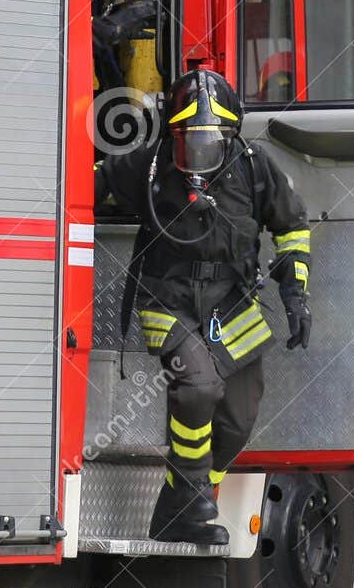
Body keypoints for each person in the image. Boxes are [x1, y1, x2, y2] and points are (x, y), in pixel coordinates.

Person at [98, 68, 313, 546]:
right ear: (172, 135)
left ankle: (184, 501)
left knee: (238, 414)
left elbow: (292, 227)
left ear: (231, 136)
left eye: (209, 142)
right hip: (167, 299)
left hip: (231, 304)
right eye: (188, 141)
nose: (198, 153)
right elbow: (90, 182)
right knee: (197, 388)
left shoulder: (256, 168)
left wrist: (296, 294)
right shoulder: (150, 165)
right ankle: (195, 502)